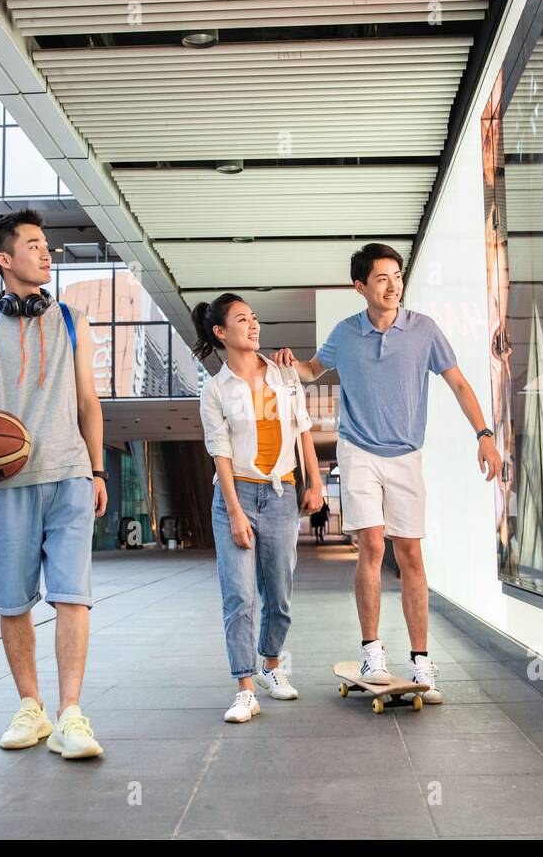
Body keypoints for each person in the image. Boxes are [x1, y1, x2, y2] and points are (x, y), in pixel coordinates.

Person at [273, 243, 503, 703]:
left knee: (412, 555)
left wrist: (484, 434)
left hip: (405, 455)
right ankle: (372, 651)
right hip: (357, 450)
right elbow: (313, 370)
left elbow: (458, 382)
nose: (392, 285)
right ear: (361, 286)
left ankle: (421, 661)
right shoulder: (345, 332)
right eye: (381, 278)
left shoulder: (424, 331)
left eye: (397, 275)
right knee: (373, 545)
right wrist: (288, 363)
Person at [0, 209, 108, 759]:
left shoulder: (72, 321)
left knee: (72, 595)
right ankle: (30, 707)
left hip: (70, 474)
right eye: (34, 245)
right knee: (12, 603)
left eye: (48, 247)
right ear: (4, 259)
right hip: (4, 480)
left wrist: (99, 468)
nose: (46, 254)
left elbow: (88, 401)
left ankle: (71, 715)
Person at [194, 294, 323, 723]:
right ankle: (245, 687)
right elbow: (221, 454)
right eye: (241, 320)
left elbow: (302, 428)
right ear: (220, 332)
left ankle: (271, 665)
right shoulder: (215, 390)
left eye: (254, 318)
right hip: (238, 495)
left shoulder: (284, 374)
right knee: (240, 596)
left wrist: (315, 481)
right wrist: (233, 511)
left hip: (282, 493)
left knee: (280, 594)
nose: (253, 325)